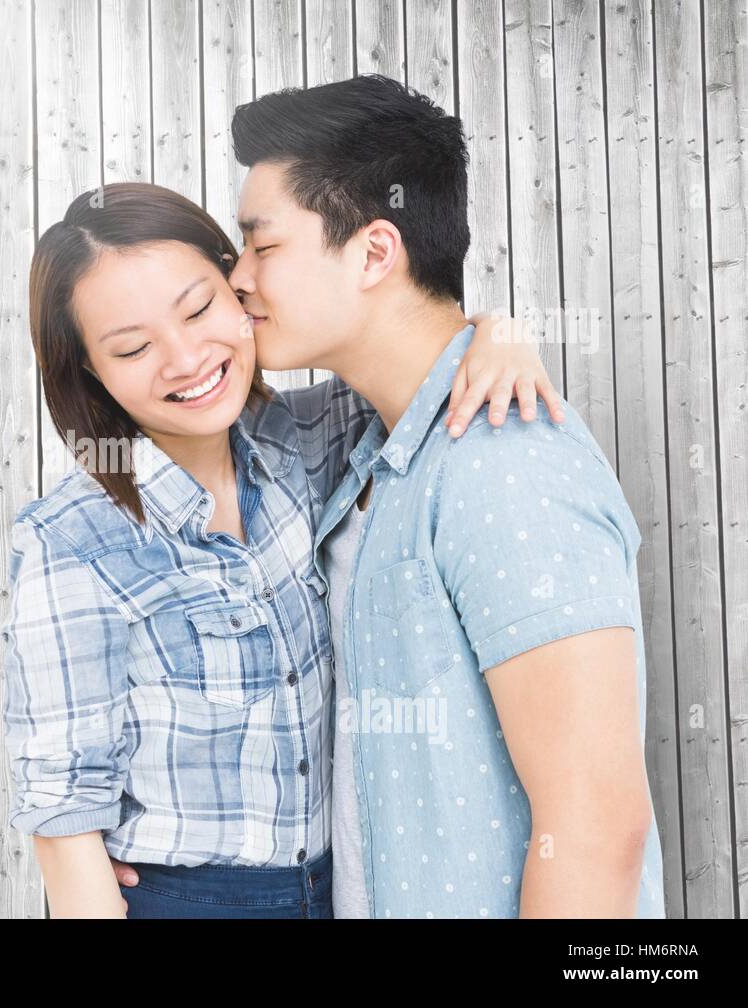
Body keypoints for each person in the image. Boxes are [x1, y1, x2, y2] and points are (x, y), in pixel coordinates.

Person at [1, 180, 562, 918]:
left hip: (339, 889)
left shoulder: (310, 435)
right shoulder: (72, 539)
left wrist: (502, 332)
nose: (184, 358)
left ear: (241, 286)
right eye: (132, 347)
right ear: (88, 371)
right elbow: (64, 812)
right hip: (184, 897)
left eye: (199, 308)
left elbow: (417, 353)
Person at [220, 73, 665, 917]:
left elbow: (598, 826)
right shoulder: (373, 442)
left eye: (262, 246)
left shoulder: (505, 459)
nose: (239, 278)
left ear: (376, 252)